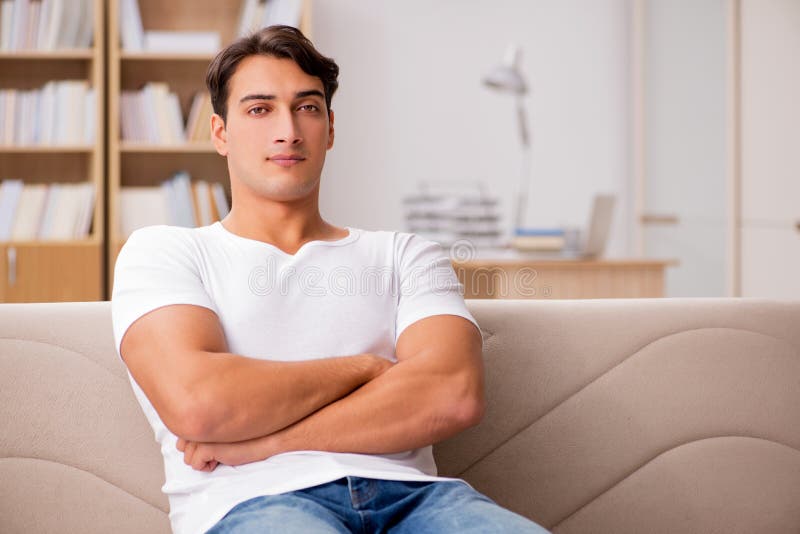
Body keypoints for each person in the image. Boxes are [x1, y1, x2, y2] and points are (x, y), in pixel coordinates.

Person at [112, 25, 549, 534]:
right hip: (258, 505)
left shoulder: (406, 255)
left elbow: (453, 393)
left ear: (331, 128)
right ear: (220, 133)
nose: (288, 131)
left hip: (421, 503)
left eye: (307, 107)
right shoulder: (165, 252)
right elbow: (200, 405)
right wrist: (365, 367)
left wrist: (262, 443)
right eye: (259, 109)